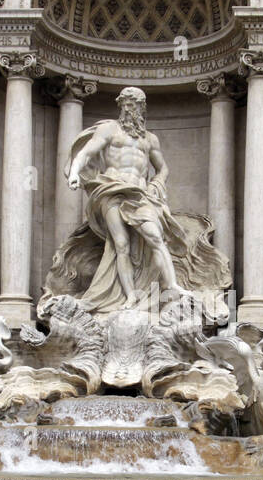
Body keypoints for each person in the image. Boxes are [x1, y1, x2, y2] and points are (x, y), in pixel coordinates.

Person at [42, 87, 230, 320]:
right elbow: (86, 153)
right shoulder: (109, 129)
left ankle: (172, 285)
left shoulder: (150, 139)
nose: (131, 108)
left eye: (136, 104)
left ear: (142, 108)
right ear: (121, 106)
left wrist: (157, 184)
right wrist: (74, 173)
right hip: (111, 189)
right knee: (120, 244)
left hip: (140, 194)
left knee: (155, 237)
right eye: (127, 104)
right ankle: (131, 295)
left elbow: (162, 168)